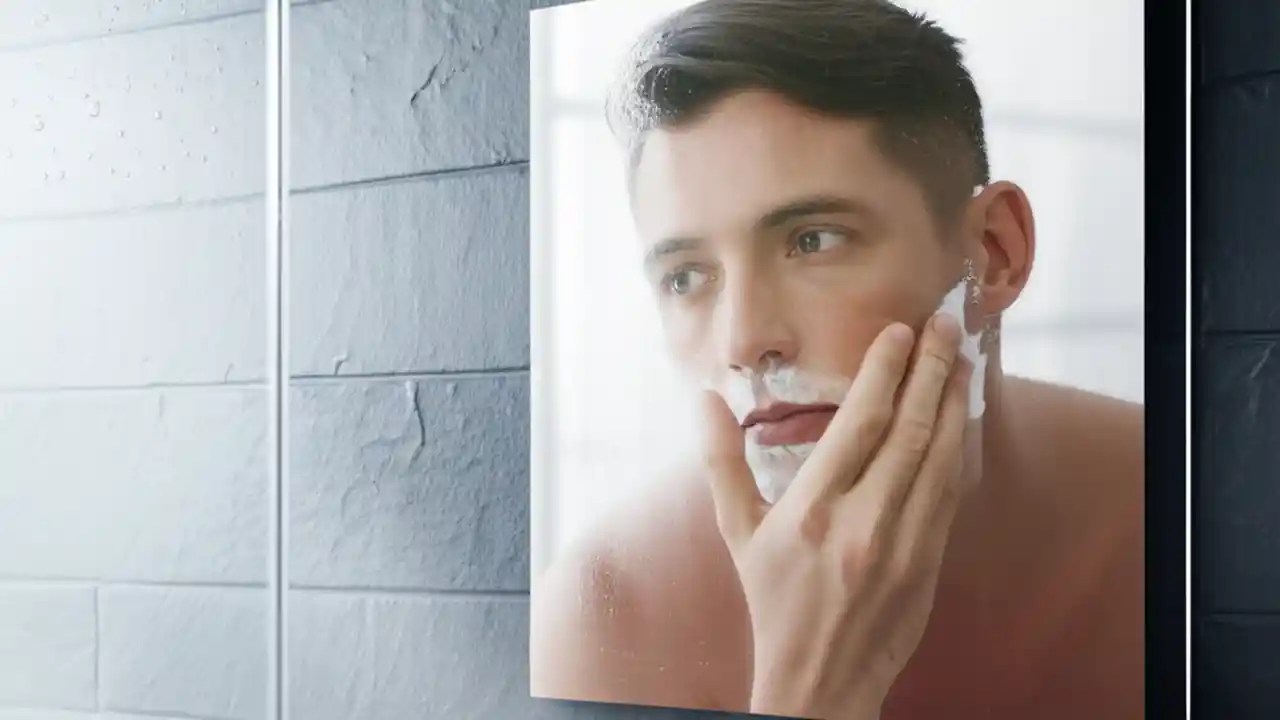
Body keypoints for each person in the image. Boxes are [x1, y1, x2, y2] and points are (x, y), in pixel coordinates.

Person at [531, 2, 1144, 718]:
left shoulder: (1190, 501)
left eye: (813, 241)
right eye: (687, 277)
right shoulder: (608, 610)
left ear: (995, 255)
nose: (742, 341)